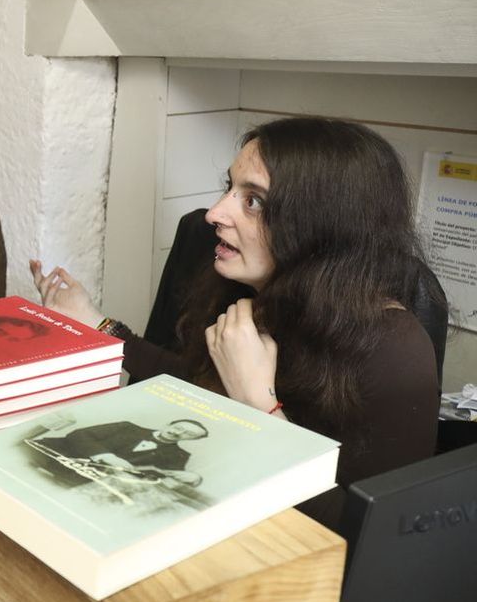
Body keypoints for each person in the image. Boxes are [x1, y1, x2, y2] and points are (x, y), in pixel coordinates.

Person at [30, 117, 441, 529]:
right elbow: (195, 387)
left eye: (254, 201)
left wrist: (260, 407)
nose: (214, 213)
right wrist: (96, 324)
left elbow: (369, 532)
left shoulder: (397, 350)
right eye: (230, 188)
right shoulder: (251, 291)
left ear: (321, 225)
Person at [28, 419, 207, 489]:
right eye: (178, 427)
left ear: (192, 440)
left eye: (188, 434)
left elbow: (157, 481)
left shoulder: (179, 456)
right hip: (49, 453)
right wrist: (107, 456)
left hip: (78, 481)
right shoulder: (128, 427)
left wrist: (194, 479)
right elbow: (78, 435)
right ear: (168, 424)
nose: (178, 433)